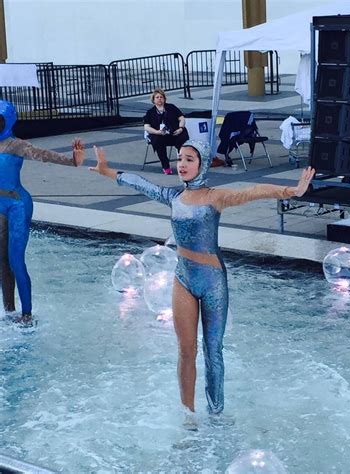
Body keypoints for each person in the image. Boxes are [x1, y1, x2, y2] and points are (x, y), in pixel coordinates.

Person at [90, 140, 315, 427]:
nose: (182, 164)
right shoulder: (173, 197)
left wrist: (291, 191)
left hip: (213, 282)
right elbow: (141, 183)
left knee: (213, 351)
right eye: (180, 158)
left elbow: (254, 191)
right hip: (184, 278)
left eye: (189, 159)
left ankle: (217, 413)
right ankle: (189, 415)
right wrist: (108, 171)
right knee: (186, 351)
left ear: (203, 164)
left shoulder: (215, 198)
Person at [0, 100, 85, 322]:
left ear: (7, 121)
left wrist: (72, 161)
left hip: (18, 205)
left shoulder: (15, 145)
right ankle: (9, 311)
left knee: (16, 260)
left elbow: (44, 154)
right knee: (2, 261)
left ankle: (27, 314)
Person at [143, 88, 189, 175]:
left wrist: (180, 128)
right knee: (157, 141)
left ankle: (183, 163)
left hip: (174, 132)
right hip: (159, 134)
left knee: (182, 137)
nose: (159, 99)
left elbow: (181, 118)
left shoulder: (171, 107)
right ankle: (165, 166)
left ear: (164, 99)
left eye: (161, 97)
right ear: (153, 99)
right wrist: (157, 132)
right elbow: (146, 127)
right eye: (157, 97)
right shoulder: (150, 112)